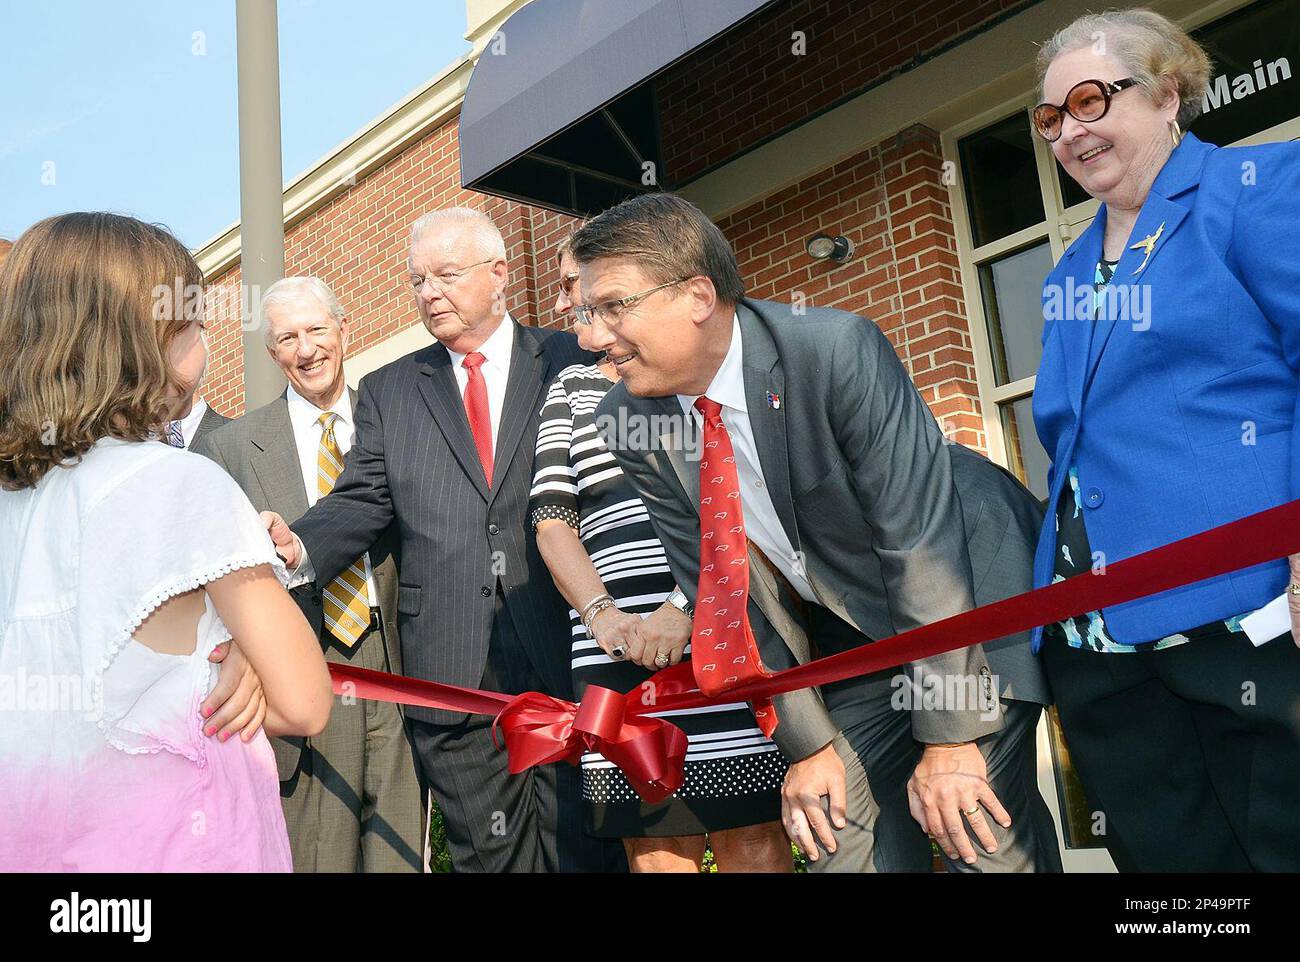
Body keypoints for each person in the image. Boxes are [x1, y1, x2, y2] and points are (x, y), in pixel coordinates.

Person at [573, 192, 1060, 872]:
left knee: (973, 831)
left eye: (612, 307)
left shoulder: (835, 350)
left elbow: (919, 547)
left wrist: (949, 741)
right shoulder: (630, 422)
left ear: (697, 294)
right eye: (583, 312)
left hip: (968, 595)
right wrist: (808, 746)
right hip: (848, 633)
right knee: (838, 835)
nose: (591, 337)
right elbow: (725, 596)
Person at [262, 208, 622, 873]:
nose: (429, 293)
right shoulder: (390, 390)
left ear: (499, 274)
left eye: (446, 275)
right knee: (492, 858)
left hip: (570, 647)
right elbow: (362, 497)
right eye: (417, 280)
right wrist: (299, 546)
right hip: (455, 678)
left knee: (590, 848)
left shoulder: (574, 359)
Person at [1029, 9, 1300, 872]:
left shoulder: (1252, 190)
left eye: (1089, 101)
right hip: (1099, 653)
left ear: (1167, 93)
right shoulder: (1068, 271)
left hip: (1245, 624)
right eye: (1051, 118)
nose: (1070, 131)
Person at [0, 212, 331, 871]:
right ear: (144, 341)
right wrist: (250, 649)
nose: (204, 341)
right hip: (187, 844)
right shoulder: (182, 483)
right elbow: (304, 699)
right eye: (194, 323)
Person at [530, 236, 791, 872]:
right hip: (615, 655)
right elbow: (551, 519)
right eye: (569, 287)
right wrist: (603, 617)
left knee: (753, 837)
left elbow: (740, 498)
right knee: (652, 848)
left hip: (722, 634)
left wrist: (686, 608)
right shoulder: (568, 390)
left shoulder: (688, 371)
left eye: (589, 286)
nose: (577, 299)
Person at [195, 276, 426, 872]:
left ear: (344, 331)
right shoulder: (230, 449)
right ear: (273, 354)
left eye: (317, 330)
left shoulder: (398, 421)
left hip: (397, 668)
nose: (306, 349)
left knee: (400, 856)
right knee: (319, 860)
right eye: (287, 339)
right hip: (301, 677)